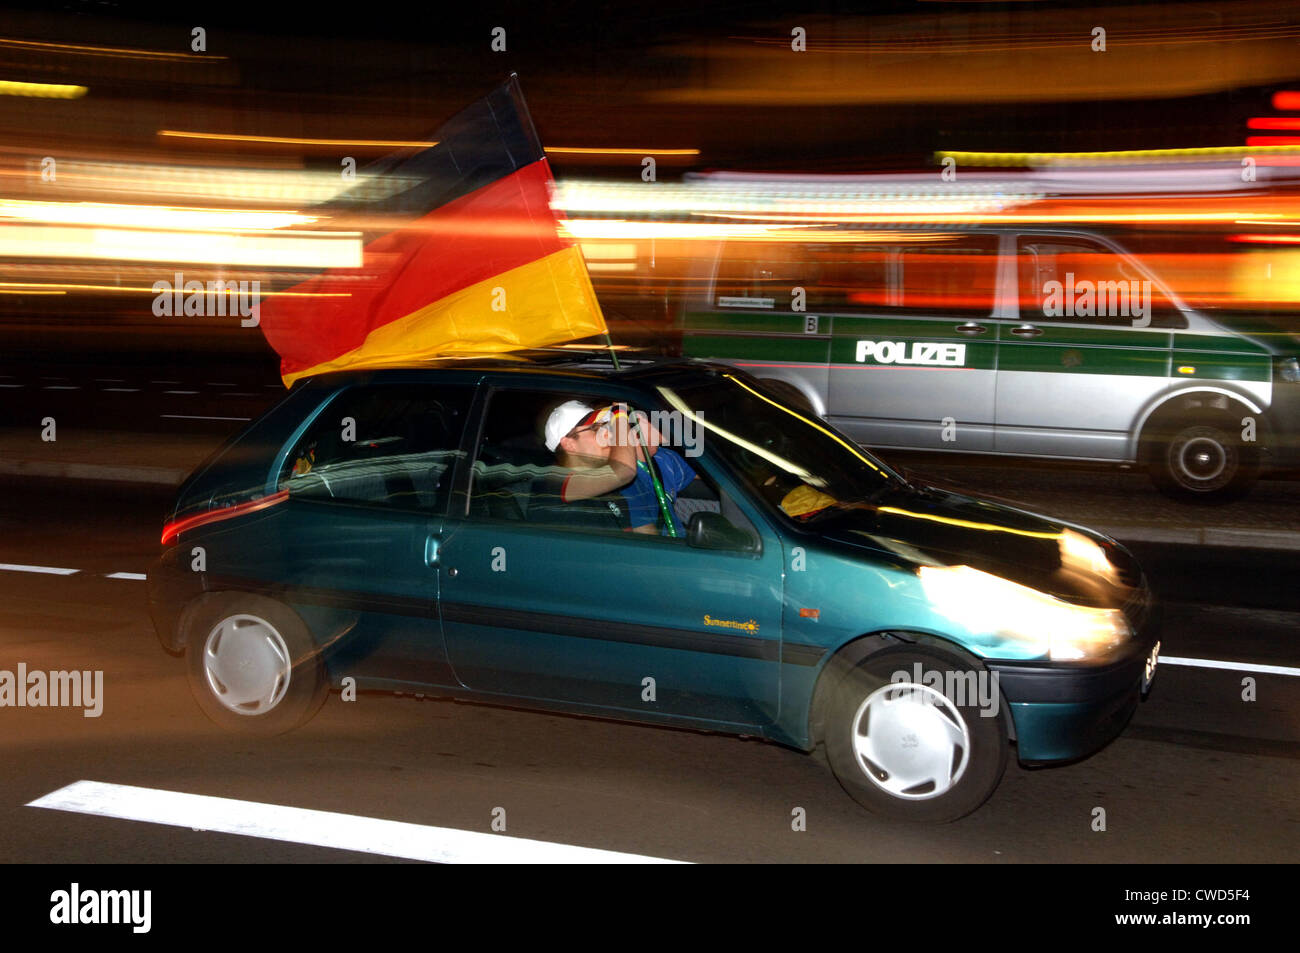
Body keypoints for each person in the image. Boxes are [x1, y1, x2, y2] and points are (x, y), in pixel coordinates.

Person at [529, 400, 638, 530]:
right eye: (595, 429)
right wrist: (620, 413)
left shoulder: (610, 492)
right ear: (569, 444)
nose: (608, 434)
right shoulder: (553, 483)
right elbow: (624, 469)